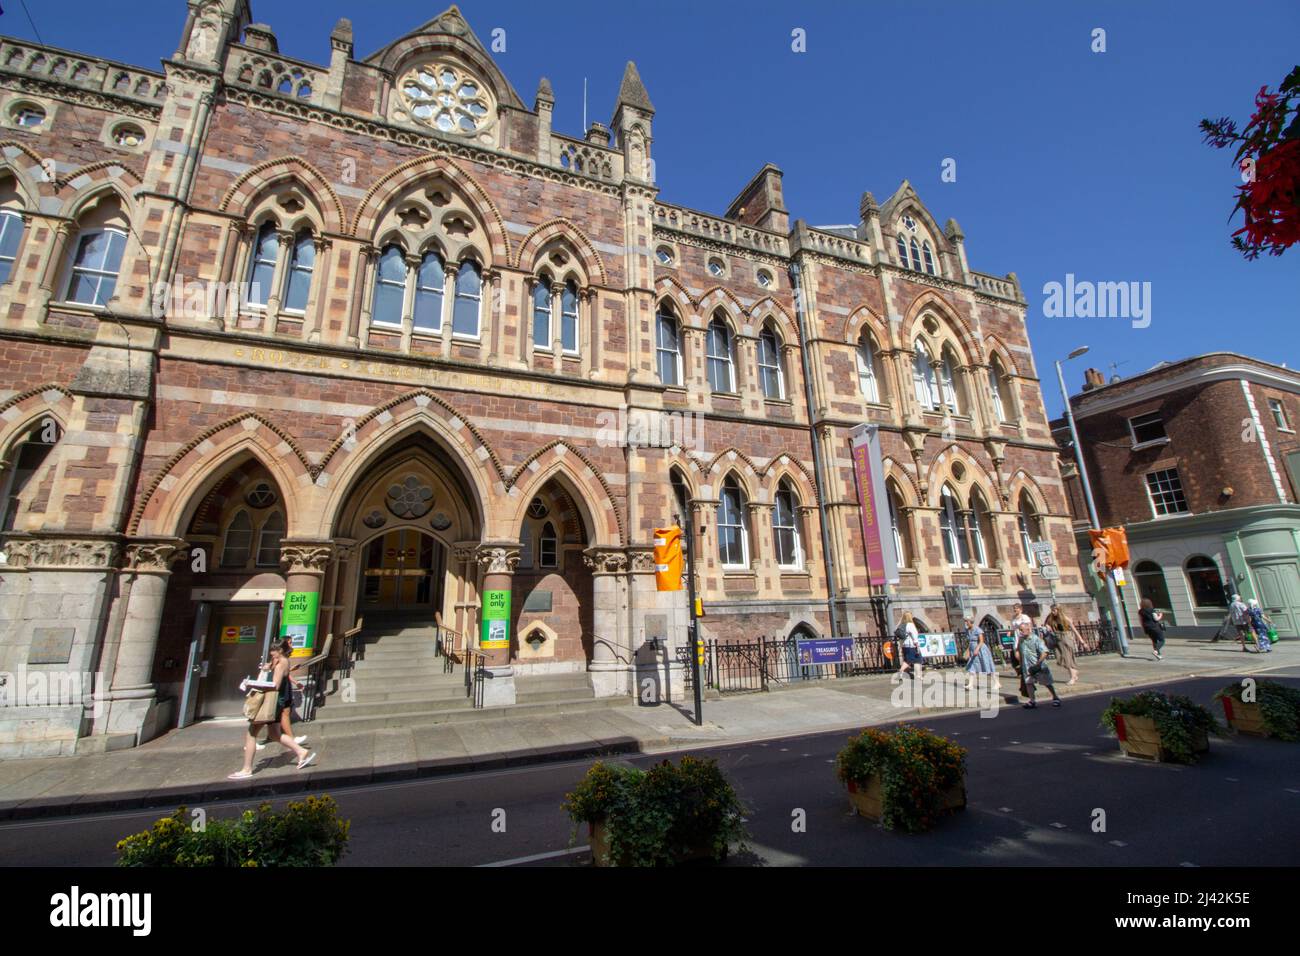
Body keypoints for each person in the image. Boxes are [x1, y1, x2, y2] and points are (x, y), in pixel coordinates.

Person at [229, 641, 315, 779]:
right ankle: (301, 751)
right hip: (277, 702)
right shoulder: (283, 661)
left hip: (272, 702)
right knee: (275, 734)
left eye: (274, 650)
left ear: (280, 650)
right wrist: (267, 669)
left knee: (252, 733)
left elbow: (275, 685)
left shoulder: (281, 664)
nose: (271, 653)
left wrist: (252, 683)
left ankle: (247, 769)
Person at [256, 639, 308, 752]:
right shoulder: (280, 660)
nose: (291, 645)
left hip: (278, 691)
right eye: (289, 642)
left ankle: (297, 747)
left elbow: (283, 674)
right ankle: (294, 743)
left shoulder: (283, 660)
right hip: (277, 693)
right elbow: (277, 681)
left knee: (273, 725)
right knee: (281, 714)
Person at [1018, 620, 1060, 709]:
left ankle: (1055, 697)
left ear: (1028, 629)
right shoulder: (1021, 640)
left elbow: (1045, 652)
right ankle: (1032, 701)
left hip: (1038, 666)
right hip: (1027, 666)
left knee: (1047, 682)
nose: (1020, 632)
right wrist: (1020, 665)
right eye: (1020, 630)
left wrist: (1038, 664)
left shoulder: (1035, 639)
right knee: (1028, 683)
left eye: (1022, 630)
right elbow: (1021, 652)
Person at [1042, 604, 1081, 685]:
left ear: (1059, 610)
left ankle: (1073, 677)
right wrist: (1047, 626)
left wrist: (1081, 641)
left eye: (1054, 610)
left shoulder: (1065, 619)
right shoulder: (1051, 618)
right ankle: (1074, 672)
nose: (1052, 612)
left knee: (1067, 658)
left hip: (1065, 638)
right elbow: (1046, 624)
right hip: (1057, 639)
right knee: (1060, 659)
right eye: (1052, 610)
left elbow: (1074, 630)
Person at [962, 616, 998, 693]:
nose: (965, 623)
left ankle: (997, 683)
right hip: (973, 650)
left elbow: (981, 641)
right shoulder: (967, 630)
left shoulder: (977, 629)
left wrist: (977, 649)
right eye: (965, 621)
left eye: (966, 621)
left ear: (970, 621)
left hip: (981, 650)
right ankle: (970, 685)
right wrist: (968, 650)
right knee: (971, 666)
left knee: (987, 665)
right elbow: (970, 642)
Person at [896, 611, 921, 680]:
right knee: (910, 661)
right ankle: (901, 672)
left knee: (915, 660)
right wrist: (917, 645)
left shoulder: (901, 625)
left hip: (905, 646)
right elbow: (914, 635)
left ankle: (918, 675)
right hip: (911, 645)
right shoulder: (910, 625)